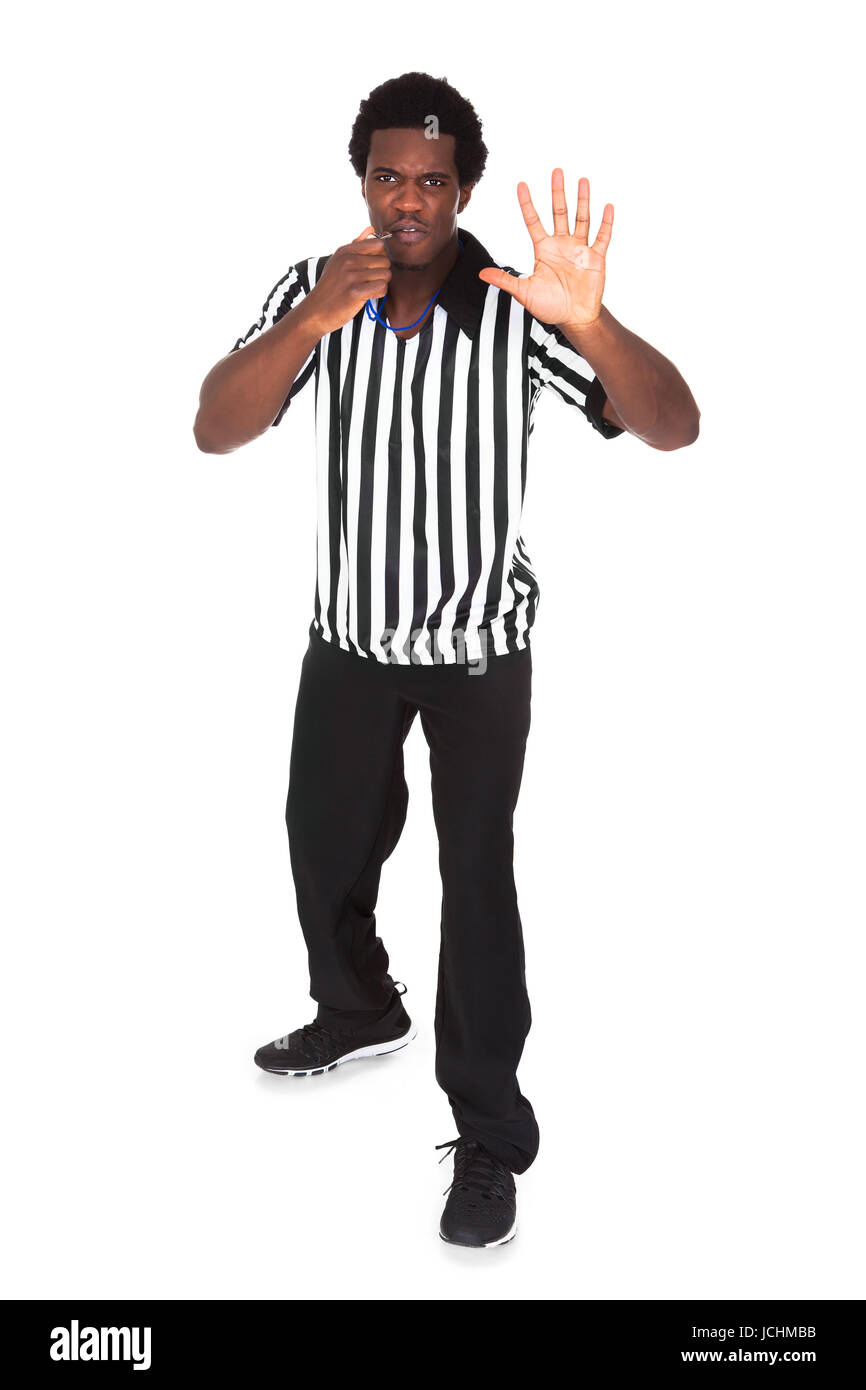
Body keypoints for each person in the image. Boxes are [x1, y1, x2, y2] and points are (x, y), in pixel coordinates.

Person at [193, 71, 700, 1248]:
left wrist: (589, 321)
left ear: (462, 189)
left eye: (431, 180)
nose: (407, 200)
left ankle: (487, 1135)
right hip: (351, 637)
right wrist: (308, 322)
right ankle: (358, 1006)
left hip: (478, 649)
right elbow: (215, 426)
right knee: (320, 844)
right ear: (361, 182)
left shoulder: (517, 305)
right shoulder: (315, 289)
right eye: (388, 177)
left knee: (473, 881)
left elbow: (672, 425)